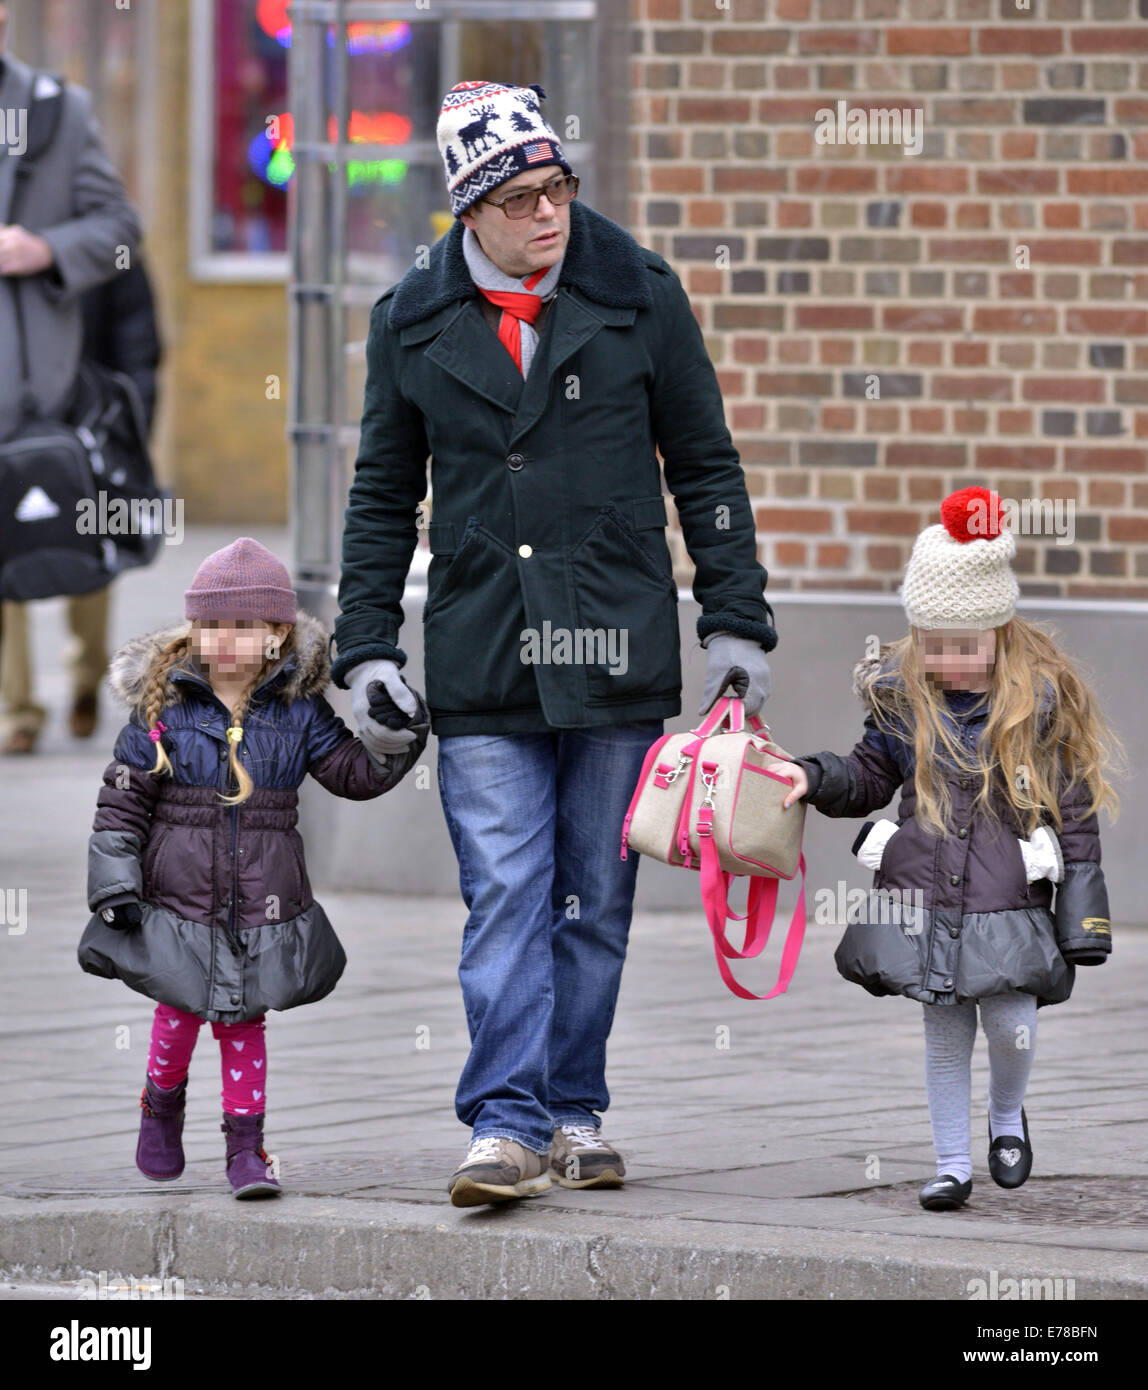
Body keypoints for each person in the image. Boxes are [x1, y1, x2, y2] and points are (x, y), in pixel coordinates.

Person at [329, 80, 778, 1208]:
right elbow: (382, 493)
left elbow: (706, 466)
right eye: (521, 197)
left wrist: (733, 619)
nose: (550, 214)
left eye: (558, 186)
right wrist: (365, 647)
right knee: (507, 892)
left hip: (616, 644)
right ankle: (505, 1121)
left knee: (592, 894)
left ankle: (574, 1107)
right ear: (468, 211)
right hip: (483, 651)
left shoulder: (637, 295)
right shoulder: (410, 320)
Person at [766, 486, 1122, 1212]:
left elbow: (1074, 806)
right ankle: (952, 1164)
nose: (948, 660)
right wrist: (813, 775)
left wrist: (1082, 910)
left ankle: (1005, 1118)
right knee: (945, 1035)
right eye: (933, 644)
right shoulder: (906, 702)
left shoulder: (1037, 708)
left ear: (999, 632)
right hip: (926, 900)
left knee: (1014, 1029)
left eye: (965, 645)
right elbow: (869, 773)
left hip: (1010, 902)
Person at [79, 537, 428, 1198]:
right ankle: (160, 1109)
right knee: (177, 1018)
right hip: (175, 901)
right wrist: (115, 885)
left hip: (259, 902)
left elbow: (354, 774)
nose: (226, 640)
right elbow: (121, 802)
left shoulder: (298, 713)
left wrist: (392, 738)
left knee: (243, 1026)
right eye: (212, 625)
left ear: (277, 635)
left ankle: (246, 1151)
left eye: (244, 627)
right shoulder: (164, 714)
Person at [0, 1, 143, 753]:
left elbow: (120, 229)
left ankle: (87, 678)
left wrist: (42, 247)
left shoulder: (58, 110)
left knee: (81, 529)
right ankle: (16, 711)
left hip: (50, 384)